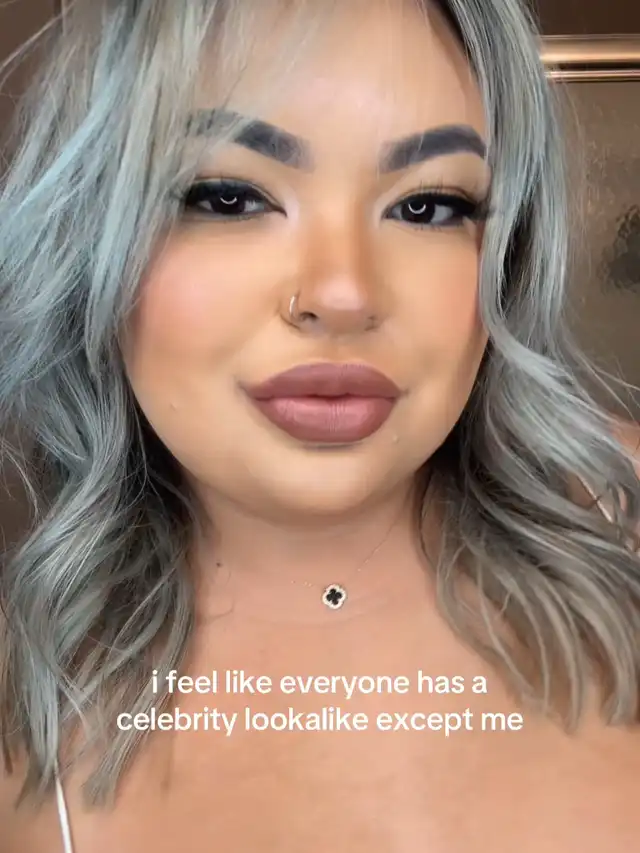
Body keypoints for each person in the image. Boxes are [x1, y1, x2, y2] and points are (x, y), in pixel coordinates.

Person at [0, 0, 639, 850]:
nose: (343, 294)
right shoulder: (21, 703)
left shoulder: (625, 519)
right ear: (88, 243)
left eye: (429, 206)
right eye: (228, 196)